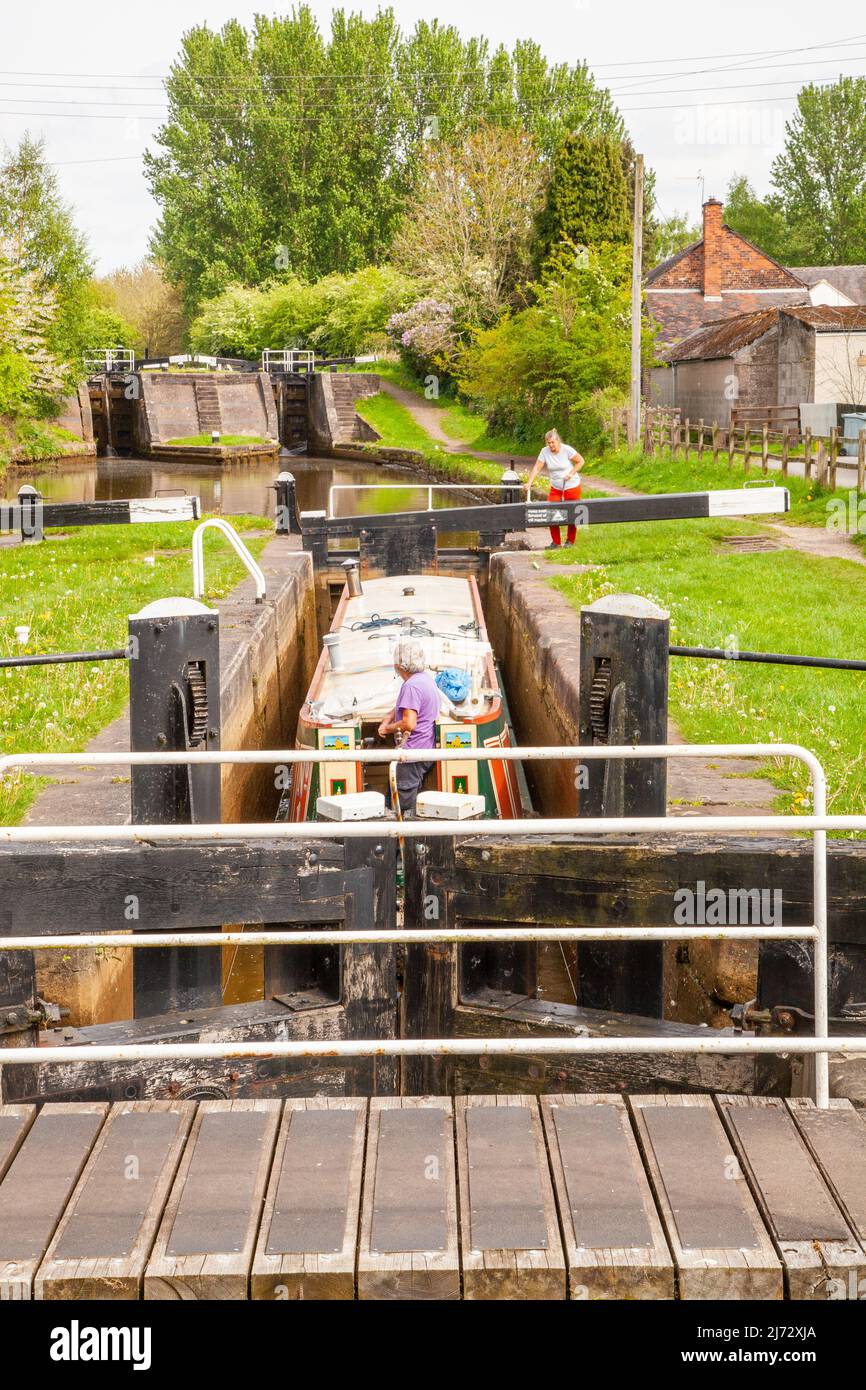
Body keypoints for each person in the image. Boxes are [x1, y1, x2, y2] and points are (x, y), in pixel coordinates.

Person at [378, 637, 440, 816]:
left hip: (411, 756)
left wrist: (386, 728)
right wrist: (390, 715)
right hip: (425, 748)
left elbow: (409, 723)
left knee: (402, 806)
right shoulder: (425, 679)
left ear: (400, 666)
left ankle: (403, 839)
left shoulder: (411, 687)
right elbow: (410, 706)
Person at [525, 428, 585, 548]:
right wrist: (529, 483)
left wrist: (571, 473)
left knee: (571, 513)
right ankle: (556, 542)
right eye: (549, 443)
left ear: (558, 441)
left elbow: (581, 461)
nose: (551, 445)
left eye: (553, 442)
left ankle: (570, 541)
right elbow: (537, 467)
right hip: (556, 487)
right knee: (551, 513)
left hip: (571, 485)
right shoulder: (544, 451)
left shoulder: (566, 449)